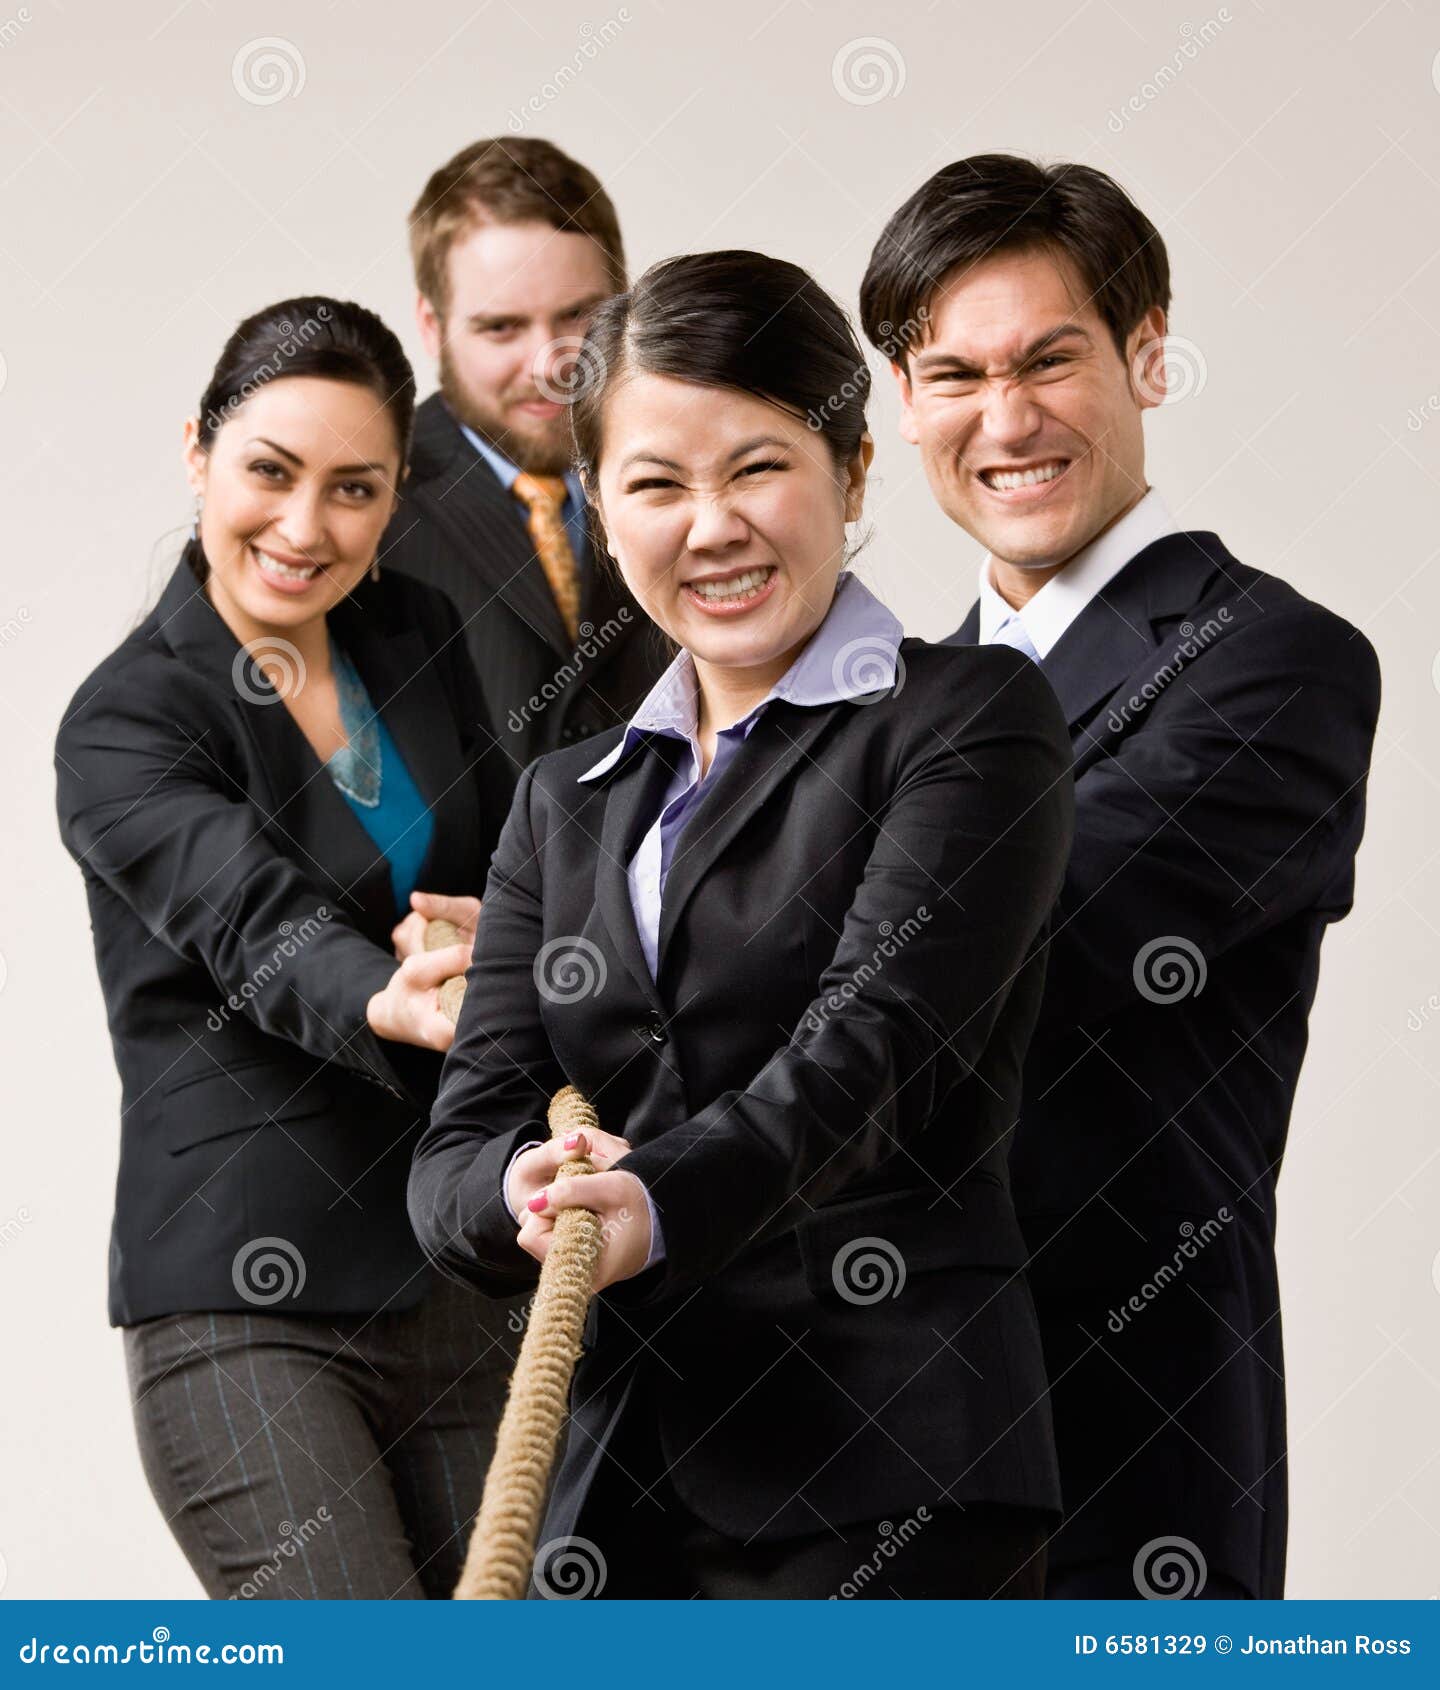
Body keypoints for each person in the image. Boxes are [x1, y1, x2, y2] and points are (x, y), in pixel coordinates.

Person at [407, 250, 1076, 1600]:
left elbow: (871, 1054)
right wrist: (523, 1193)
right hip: (610, 1494)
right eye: (654, 483)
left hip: (889, 1475)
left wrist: (651, 1196)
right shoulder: (565, 801)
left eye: (757, 466)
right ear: (601, 507)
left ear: (852, 468)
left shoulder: (969, 723)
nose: (709, 525)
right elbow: (459, 1144)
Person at [859, 154, 1382, 1600]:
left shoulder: (1273, 662)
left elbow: (1021, 928)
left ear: (1149, 350)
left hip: (1125, 1452)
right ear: (904, 404)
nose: (1005, 419)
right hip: (868, 1452)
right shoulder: (876, 714)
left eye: (1050, 360)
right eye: (954, 373)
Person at [55, 297, 524, 1599]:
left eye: (354, 488)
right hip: (249, 1301)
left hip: (456, 1271)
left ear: (395, 500)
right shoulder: (125, 721)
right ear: (199, 452)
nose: (305, 526)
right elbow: (249, 917)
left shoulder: (416, 634)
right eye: (270, 470)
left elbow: (505, 874)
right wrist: (389, 991)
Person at [383, 136, 668, 770]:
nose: (550, 363)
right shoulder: (364, 500)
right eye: (501, 327)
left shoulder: (695, 470)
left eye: (578, 314)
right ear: (431, 326)